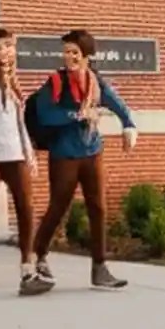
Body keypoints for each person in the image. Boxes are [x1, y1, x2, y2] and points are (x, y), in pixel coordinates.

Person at [30, 29, 138, 290]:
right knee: (59, 207)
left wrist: (129, 125)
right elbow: (45, 114)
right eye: (66, 52)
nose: (69, 57)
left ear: (87, 55)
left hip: (92, 151)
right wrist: (76, 116)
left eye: (74, 53)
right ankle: (38, 254)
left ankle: (100, 268)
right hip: (64, 154)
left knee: (98, 207)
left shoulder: (95, 82)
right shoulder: (55, 82)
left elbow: (116, 102)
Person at [0, 28, 54, 296]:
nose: (7, 51)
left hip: (15, 155)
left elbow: (18, 122)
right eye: (2, 46)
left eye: (11, 46)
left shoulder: (14, 80)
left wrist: (29, 153)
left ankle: (27, 269)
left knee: (27, 209)